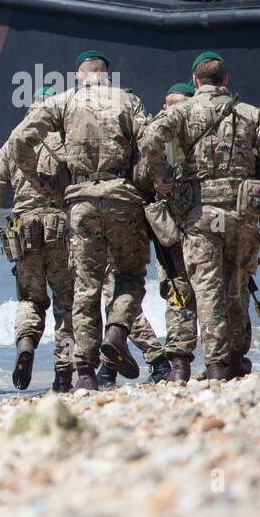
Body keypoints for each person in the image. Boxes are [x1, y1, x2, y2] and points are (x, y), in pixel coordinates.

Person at [11, 50, 149, 390]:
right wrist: (149, 182)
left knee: (85, 287)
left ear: (79, 75)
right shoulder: (128, 101)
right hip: (120, 196)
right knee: (129, 276)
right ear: (108, 74)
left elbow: (20, 140)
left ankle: (85, 374)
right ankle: (116, 333)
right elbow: (153, 145)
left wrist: (34, 178)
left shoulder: (63, 101)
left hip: (80, 200)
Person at [138, 52, 260, 380]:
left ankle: (214, 365)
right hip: (242, 214)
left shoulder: (182, 112)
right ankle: (236, 360)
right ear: (225, 80)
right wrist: (259, 183)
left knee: (207, 287)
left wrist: (158, 176)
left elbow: (149, 140)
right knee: (237, 286)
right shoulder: (251, 114)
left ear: (196, 82)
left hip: (199, 215)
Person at [0, 86, 75, 392]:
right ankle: (64, 372)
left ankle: (25, 348)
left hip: (23, 231)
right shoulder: (66, 140)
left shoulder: (12, 144)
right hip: (62, 229)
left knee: (30, 299)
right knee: (66, 306)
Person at [100, 81, 201, 385]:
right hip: (187, 223)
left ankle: (160, 362)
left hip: (159, 225)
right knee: (196, 289)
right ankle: (207, 360)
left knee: (119, 289)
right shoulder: (189, 129)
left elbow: (140, 176)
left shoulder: (155, 132)